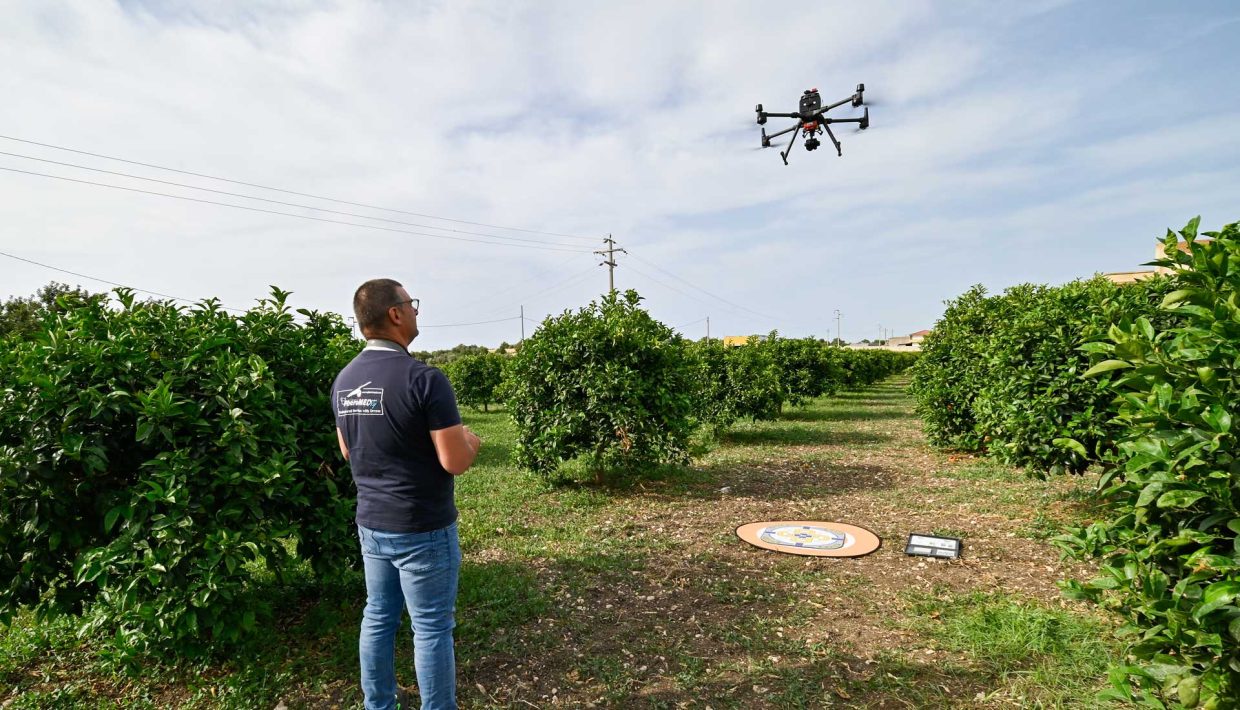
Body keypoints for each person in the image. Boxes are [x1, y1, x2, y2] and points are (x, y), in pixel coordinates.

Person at [332, 278, 481, 710]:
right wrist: (472, 439)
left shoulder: (344, 380)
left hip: (372, 524)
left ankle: (378, 704)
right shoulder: (425, 378)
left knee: (378, 615)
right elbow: (454, 460)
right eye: (410, 303)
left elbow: (347, 450)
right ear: (395, 314)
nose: (415, 310)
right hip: (422, 527)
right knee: (432, 627)